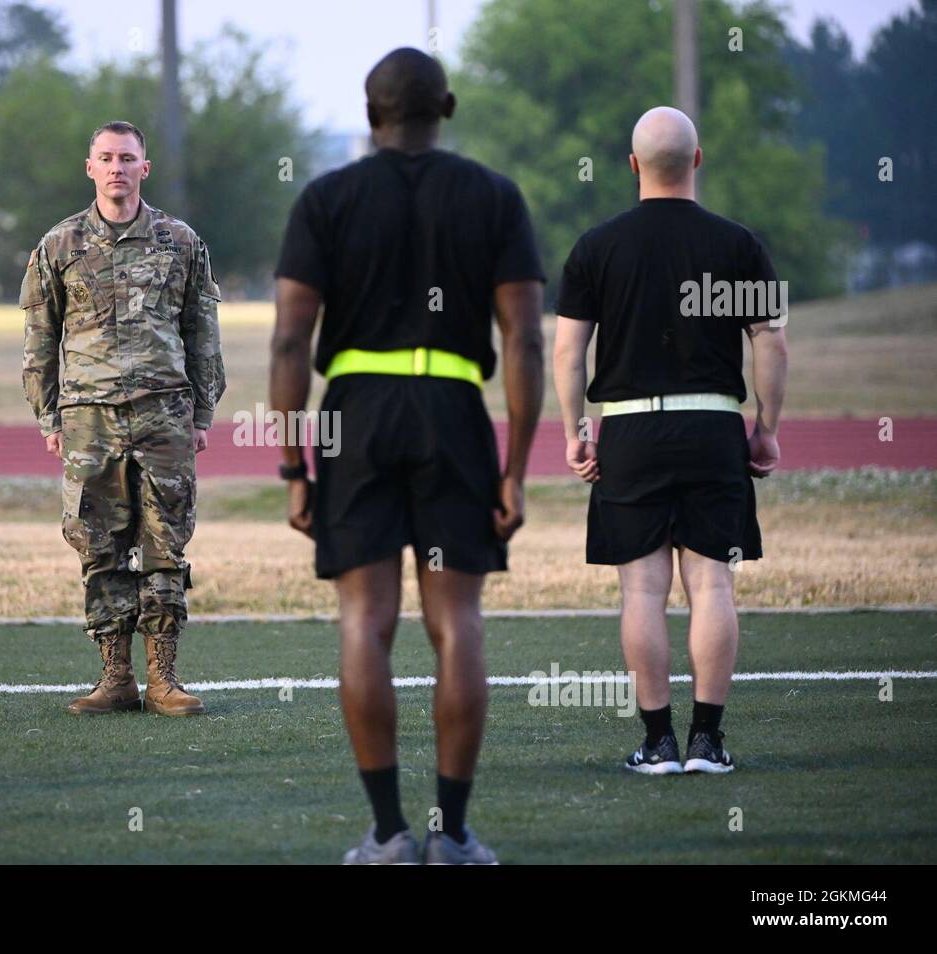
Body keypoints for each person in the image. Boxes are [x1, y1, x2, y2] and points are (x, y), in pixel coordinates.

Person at [270, 49, 546, 863]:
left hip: (355, 414)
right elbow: (525, 336)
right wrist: (517, 467)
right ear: (447, 107)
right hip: (452, 411)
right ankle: (452, 835)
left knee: (366, 619)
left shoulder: (325, 197)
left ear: (369, 113)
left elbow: (291, 338)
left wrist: (294, 465)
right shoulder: (494, 196)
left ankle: (389, 834)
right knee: (455, 621)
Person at [552, 105, 789, 775]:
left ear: (632, 166)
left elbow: (569, 350)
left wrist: (577, 432)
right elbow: (769, 339)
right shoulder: (738, 243)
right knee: (712, 585)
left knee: (642, 593)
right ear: (698, 160)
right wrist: (765, 430)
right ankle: (707, 743)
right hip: (713, 424)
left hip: (629, 428)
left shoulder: (596, 246)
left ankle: (657, 744)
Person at [21, 121, 225, 717]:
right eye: (106, 158)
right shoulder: (57, 247)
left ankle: (163, 678)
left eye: (127, 158)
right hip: (88, 418)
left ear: (145, 167)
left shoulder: (180, 241)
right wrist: (48, 414)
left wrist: (204, 411)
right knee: (98, 543)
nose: (116, 168)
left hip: (166, 412)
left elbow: (201, 330)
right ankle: (116, 678)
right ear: (90, 168)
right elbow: (40, 337)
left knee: (166, 542)